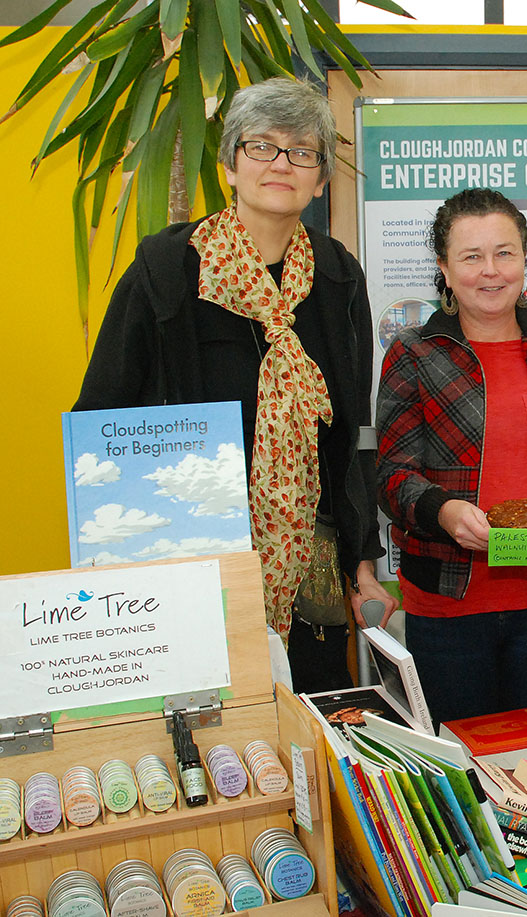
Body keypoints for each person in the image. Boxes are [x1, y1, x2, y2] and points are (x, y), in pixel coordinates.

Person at [74, 77, 398, 693]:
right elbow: (100, 418)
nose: (282, 163)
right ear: (229, 164)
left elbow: (348, 437)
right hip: (190, 563)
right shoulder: (167, 271)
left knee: (313, 719)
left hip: (309, 563)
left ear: (320, 180)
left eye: (302, 151)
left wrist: (361, 562)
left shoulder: (337, 277)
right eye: (262, 146)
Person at [375, 188, 527, 727]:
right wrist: (443, 511)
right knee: (462, 760)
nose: (490, 270)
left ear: (524, 260)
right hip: (448, 601)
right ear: (444, 268)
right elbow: (393, 475)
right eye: (471, 256)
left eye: (504, 253)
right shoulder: (413, 353)